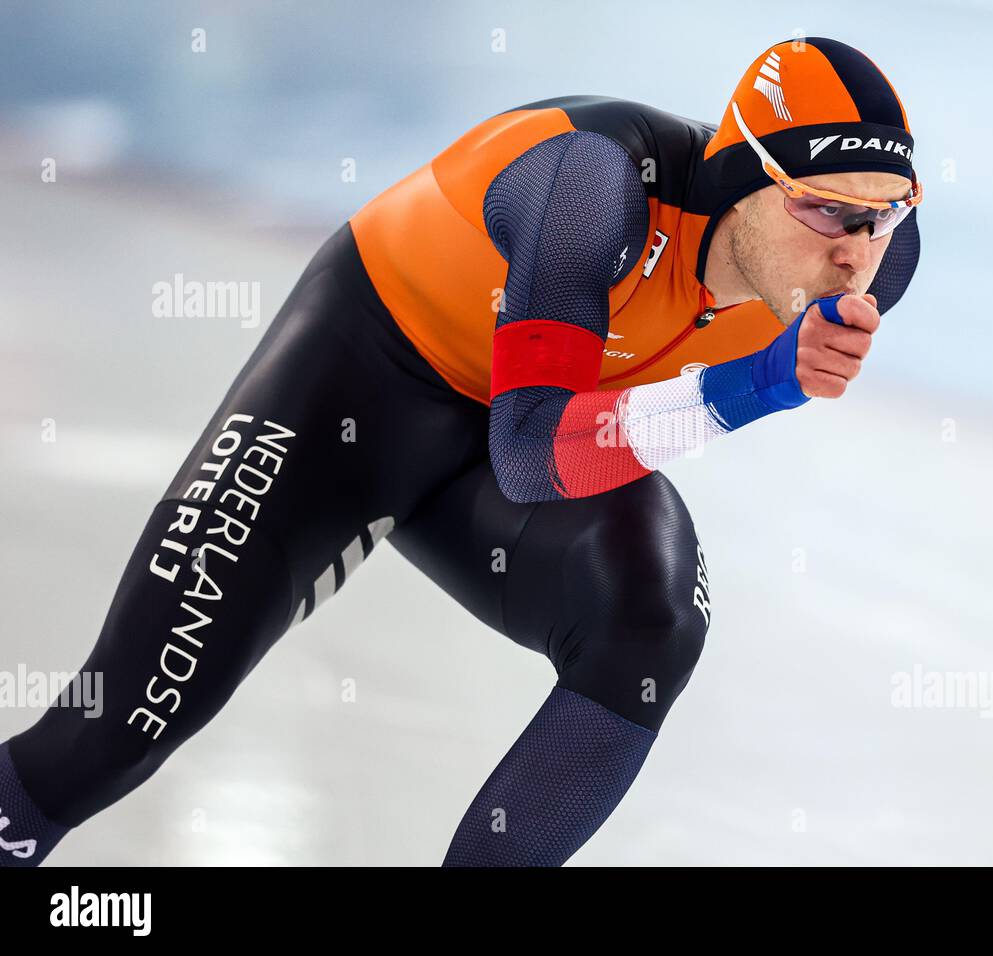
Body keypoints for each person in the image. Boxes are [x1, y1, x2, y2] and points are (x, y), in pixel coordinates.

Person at [0, 35, 921, 867]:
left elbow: (546, 442)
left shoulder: (883, 254)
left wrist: (770, 354)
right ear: (742, 179)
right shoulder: (590, 186)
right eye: (831, 212)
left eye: (886, 215)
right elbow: (526, 456)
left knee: (652, 622)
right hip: (369, 380)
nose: (859, 253)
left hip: (547, 417)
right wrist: (756, 382)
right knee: (114, 731)